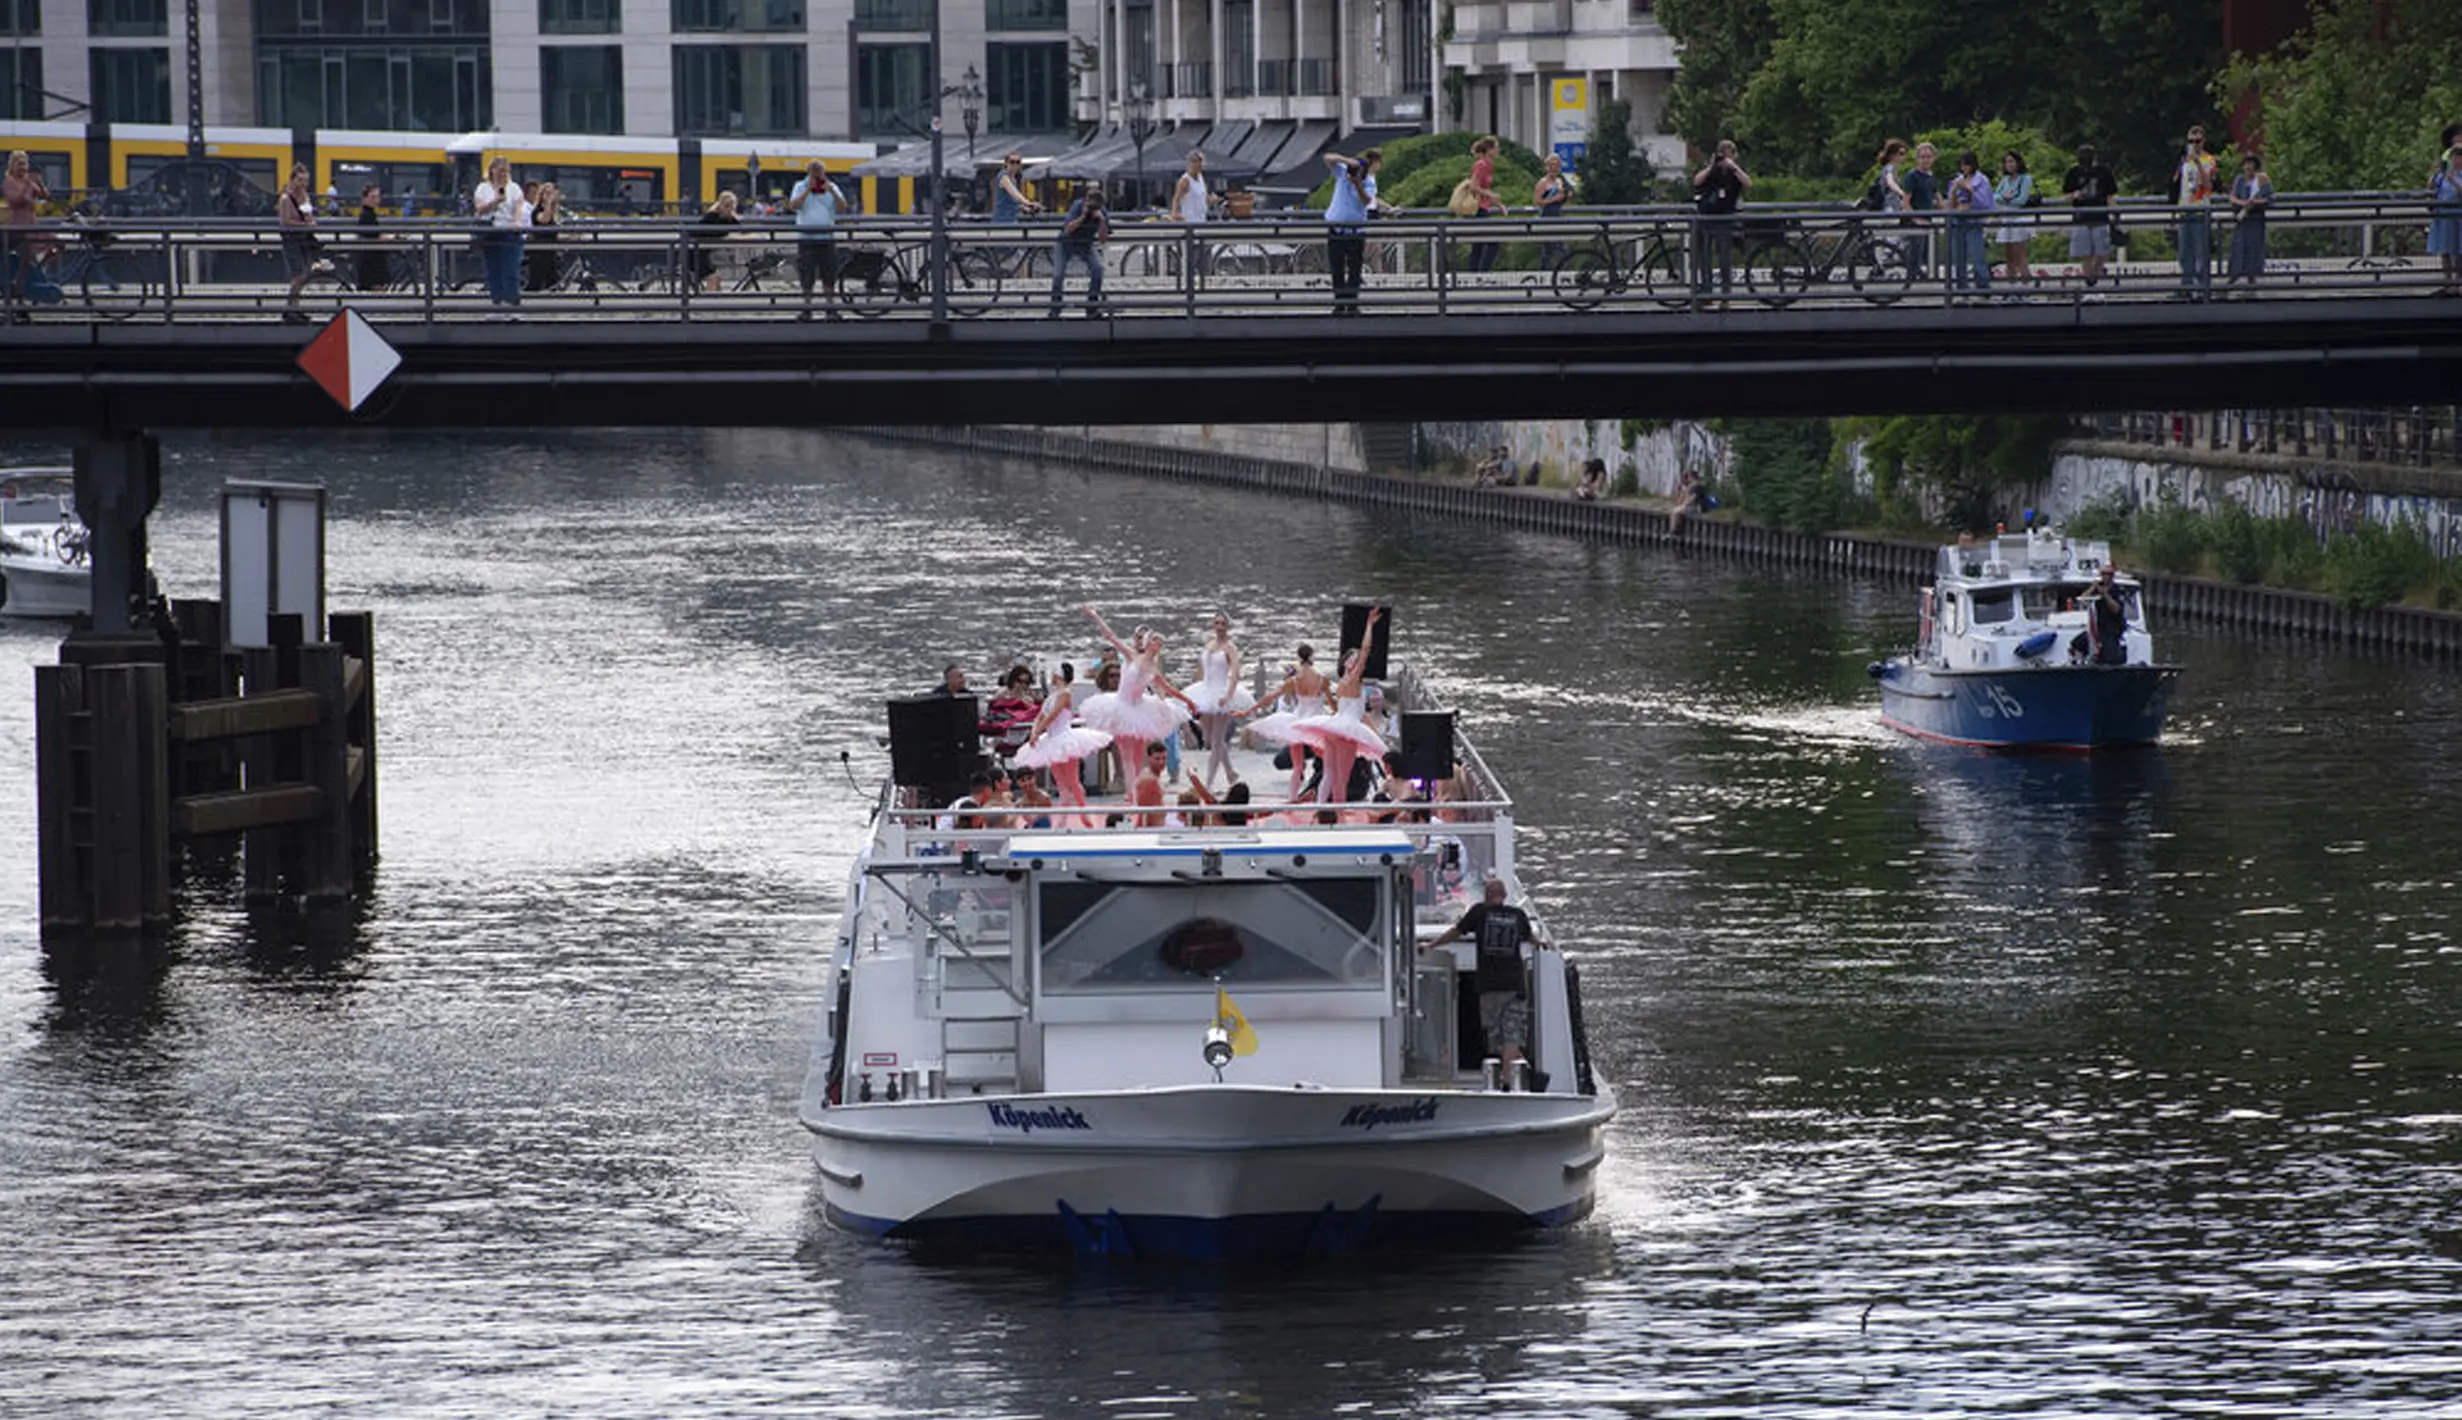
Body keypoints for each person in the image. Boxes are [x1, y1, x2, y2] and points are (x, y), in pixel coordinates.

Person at [1419, 874, 1537, 1083]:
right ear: (1505, 895)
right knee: (1512, 1035)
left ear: (1486, 896)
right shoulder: (1518, 915)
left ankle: (1506, 1076)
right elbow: (1531, 938)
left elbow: (1455, 932)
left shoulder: (1480, 912)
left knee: (1495, 1038)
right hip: (1514, 987)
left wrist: (1431, 946)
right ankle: (1509, 1081)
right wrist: (1541, 944)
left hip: (1488, 988)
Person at [1078, 605, 1194, 786]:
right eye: (1155, 641)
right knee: (1126, 752)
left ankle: (1137, 791)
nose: (1157, 644)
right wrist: (1095, 616)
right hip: (1120, 705)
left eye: (1159, 643)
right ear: (1148, 643)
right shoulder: (1132, 655)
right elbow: (1111, 637)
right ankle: (1131, 794)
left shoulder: (1153, 668)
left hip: (1140, 708)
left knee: (1138, 753)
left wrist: (1188, 702)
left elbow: (1168, 688)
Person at [1285, 606, 1385, 805]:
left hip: (1333, 726)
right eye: (1353, 659)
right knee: (1342, 779)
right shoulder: (1354, 679)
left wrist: (1372, 729)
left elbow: (1348, 710)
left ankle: (1321, 808)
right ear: (1350, 663)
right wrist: (1369, 625)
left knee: (1328, 774)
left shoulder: (1340, 683)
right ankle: (1338, 815)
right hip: (1346, 729)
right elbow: (1366, 650)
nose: (1357, 661)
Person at [1013, 662, 1111, 815]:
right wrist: (1034, 732)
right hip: (1051, 739)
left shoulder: (1065, 693)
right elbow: (1041, 716)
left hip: (1066, 739)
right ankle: (1064, 816)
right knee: (1060, 782)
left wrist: (1037, 732)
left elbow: (1053, 715)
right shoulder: (1051, 696)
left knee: (1072, 780)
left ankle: (1083, 811)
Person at [1245, 644, 1333, 800]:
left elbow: (1269, 697)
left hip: (1298, 722)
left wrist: (1248, 710)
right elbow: (1333, 705)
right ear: (1312, 657)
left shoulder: (1294, 680)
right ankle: (1322, 803)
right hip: (1317, 723)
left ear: (1299, 658)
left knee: (1297, 767)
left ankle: (1292, 799)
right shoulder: (1322, 680)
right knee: (1328, 766)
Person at [1184, 611, 1256, 792]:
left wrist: (1229, 694)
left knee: (1216, 741)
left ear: (1227, 626)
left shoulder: (1230, 647)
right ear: (1213, 625)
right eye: (1217, 623)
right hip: (1205, 690)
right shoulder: (1209, 644)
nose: (1220, 627)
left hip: (1221, 691)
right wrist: (1193, 692)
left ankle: (1208, 783)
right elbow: (1201, 671)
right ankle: (1231, 772)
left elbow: (1235, 673)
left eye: (1223, 623)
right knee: (1209, 739)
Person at [1691, 139, 1750, 298]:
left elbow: (1748, 183)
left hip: (1725, 219)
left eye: (1728, 154)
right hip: (1707, 218)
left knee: (1724, 258)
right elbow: (1697, 181)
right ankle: (1707, 292)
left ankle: (1726, 294)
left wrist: (1733, 167)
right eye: (1722, 154)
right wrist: (1711, 166)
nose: (1724, 158)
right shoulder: (1712, 170)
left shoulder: (1735, 171)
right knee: (1705, 257)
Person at [789, 159, 847, 319]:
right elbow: (793, 206)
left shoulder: (832, 186)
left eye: (820, 173)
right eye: (814, 173)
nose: (817, 177)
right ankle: (807, 308)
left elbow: (843, 208)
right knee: (807, 274)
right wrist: (807, 190)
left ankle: (830, 308)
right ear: (809, 173)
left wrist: (832, 192)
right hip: (806, 237)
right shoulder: (800, 186)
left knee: (829, 274)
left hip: (827, 237)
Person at [1324, 150, 1376, 316]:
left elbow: (1366, 201)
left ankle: (1352, 304)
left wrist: (1357, 184)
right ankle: (1339, 304)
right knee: (1337, 268)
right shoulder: (1342, 173)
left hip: (1356, 231)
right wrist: (1347, 161)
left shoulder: (1368, 183)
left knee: (1355, 269)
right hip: (1336, 229)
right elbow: (1327, 158)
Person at [4, 149, 53, 322]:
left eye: (25, 164)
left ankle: (39, 272)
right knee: (24, 262)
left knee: (57, 245)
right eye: (19, 164)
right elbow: (18, 200)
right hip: (18, 228)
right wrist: (28, 186)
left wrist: (40, 184)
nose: (23, 167)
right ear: (13, 165)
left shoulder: (28, 182)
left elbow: (45, 197)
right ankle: (19, 299)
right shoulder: (9, 182)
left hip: (32, 225)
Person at [472, 156, 527, 308]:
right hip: (490, 231)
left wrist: (517, 222)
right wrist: (495, 201)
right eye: (500, 171)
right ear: (492, 171)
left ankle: (511, 303)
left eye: (506, 171)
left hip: (509, 231)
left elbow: (518, 207)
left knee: (511, 270)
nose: (503, 174)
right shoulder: (483, 188)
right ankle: (496, 302)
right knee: (493, 270)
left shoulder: (514, 188)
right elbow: (480, 209)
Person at [2062, 143, 2118, 286]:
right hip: (2081, 218)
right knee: (2085, 254)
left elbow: (2110, 196)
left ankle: (2094, 276)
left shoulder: (2104, 172)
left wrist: (2115, 214)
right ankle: (2090, 282)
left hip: (2100, 217)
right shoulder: (2073, 173)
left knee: (2101, 252)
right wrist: (2074, 195)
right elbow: (2066, 196)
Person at [1049, 185, 1110, 316]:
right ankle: (1055, 306)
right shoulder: (1077, 206)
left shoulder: (1102, 212)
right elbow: (1068, 229)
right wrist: (1083, 216)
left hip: (1086, 244)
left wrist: (1102, 221)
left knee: (1098, 268)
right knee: (1058, 274)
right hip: (1066, 243)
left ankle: (1092, 304)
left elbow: (1103, 239)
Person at [2173, 125, 2218, 297]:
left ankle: (2203, 288)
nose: (2194, 144)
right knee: (2185, 252)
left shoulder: (2209, 159)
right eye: (2191, 141)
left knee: (2201, 252)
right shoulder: (2184, 160)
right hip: (2185, 209)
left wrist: (2198, 162)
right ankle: (2186, 287)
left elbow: (2208, 185)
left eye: (2197, 141)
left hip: (2201, 210)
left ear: (2203, 141)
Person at [277, 164, 325, 322]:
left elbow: (307, 214)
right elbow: (285, 221)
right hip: (291, 240)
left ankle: (294, 308)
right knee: (299, 275)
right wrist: (305, 225)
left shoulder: (304, 196)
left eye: (305, 180)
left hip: (303, 239)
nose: (303, 184)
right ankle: (290, 308)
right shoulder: (285, 199)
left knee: (303, 275)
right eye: (300, 180)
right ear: (292, 179)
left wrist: (310, 221)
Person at [1945, 150, 1994, 298]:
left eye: (1967, 164)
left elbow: (1984, 203)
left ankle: (1983, 288)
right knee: (1958, 257)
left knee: (1977, 256)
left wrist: (1969, 190)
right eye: (1962, 165)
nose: (1964, 168)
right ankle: (1961, 289)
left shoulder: (1982, 180)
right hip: (1958, 221)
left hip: (1974, 221)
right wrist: (1954, 190)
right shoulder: (1957, 180)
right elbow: (1951, 204)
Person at [2226, 154, 2272, 290]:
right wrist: (2243, 203)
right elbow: (2232, 197)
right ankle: (2232, 279)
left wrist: (2255, 202)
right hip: (2242, 220)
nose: (2247, 167)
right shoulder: (2239, 180)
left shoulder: (2262, 180)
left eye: (2250, 164)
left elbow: (2269, 199)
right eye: (2246, 164)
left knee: (2254, 249)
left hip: (2256, 220)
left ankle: (2252, 281)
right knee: (2238, 248)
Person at [1991, 150, 2034, 284]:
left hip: (2019, 219)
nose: (2008, 164)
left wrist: (2005, 199)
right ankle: (2011, 287)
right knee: (2009, 257)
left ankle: (2026, 285)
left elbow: (2021, 200)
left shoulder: (2025, 178)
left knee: (2020, 256)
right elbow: (1994, 196)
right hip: (2006, 219)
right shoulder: (2005, 179)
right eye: (2006, 162)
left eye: (2011, 161)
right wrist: (2004, 197)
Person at [1465, 135, 1504, 275]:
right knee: (1492, 243)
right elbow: (1474, 186)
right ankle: (1481, 274)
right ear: (1489, 150)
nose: (1498, 150)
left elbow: (1483, 189)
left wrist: (1498, 204)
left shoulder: (1488, 165)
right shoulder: (1482, 165)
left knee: (1479, 244)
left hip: (1484, 207)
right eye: (1496, 148)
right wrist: (1491, 195)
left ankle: (1474, 275)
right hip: (1478, 209)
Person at [692, 190, 741, 293]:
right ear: (720, 205)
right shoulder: (712, 217)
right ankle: (706, 305)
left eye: (732, 207)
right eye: (727, 206)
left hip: (705, 252)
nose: (729, 209)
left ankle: (718, 304)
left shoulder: (730, 218)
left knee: (716, 277)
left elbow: (742, 230)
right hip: (694, 252)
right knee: (713, 277)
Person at [2429, 140, 2462, 297]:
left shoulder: (2456, 176)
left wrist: (2453, 180)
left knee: (2458, 250)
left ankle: (2458, 281)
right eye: (2455, 156)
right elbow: (2431, 189)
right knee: (2445, 250)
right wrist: (2435, 175)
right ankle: (2447, 282)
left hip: (2458, 216)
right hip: (2443, 215)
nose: (2457, 159)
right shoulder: (2443, 175)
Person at [1905, 141, 1939, 279]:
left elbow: (1938, 199)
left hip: (1928, 219)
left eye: (1929, 156)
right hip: (1917, 221)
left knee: (1928, 253)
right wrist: (1915, 219)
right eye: (1923, 157)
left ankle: (1926, 277)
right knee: (1915, 252)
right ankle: (1913, 278)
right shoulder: (1912, 176)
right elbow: (1905, 202)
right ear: (1917, 158)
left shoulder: (1930, 177)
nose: (1926, 160)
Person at [1534, 152, 1571, 266]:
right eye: (1550, 165)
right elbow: (1537, 201)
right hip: (1547, 216)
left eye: (1556, 165)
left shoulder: (1560, 181)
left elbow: (1566, 196)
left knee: (1554, 249)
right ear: (1546, 167)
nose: (1553, 168)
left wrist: (1567, 195)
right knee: (1552, 247)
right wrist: (1553, 199)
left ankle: (1558, 272)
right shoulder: (1542, 183)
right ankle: (1545, 272)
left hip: (1557, 216)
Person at [2087, 564, 2129, 665]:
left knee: (2110, 655)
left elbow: (2116, 609)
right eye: (2103, 574)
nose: (2106, 576)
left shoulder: (2117, 590)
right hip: (2098, 628)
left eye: (2109, 574)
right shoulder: (2098, 587)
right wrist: (2093, 588)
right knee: (2078, 642)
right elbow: (2083, 598)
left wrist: (2104, 594)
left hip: (2112, 628)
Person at [524, 181, 562, 293]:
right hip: (540, 251)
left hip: (551, 250)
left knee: (552, 281)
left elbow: (555, 231)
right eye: (547, 193)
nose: (550, 195)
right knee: (536, 283)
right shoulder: (538, 210)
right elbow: (544, 220)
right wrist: (549, 203)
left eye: (552, 193)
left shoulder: (554, 212)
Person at [352, 184, 388, 293]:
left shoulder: (367, 213)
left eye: (378, 197)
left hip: (368, 256)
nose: (376, 200)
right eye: (373, 197)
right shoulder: (367, 215)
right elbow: (374, 235)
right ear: (365, 198)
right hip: (370, 260)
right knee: (377, 287)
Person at [992, 152, 1041, 223]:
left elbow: (1011, 202)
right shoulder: (1003, 176)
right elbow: (1014, 193)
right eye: (1012, 162)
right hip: (1001, 220)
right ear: (1006, 163)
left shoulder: (1013, 179)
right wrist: (1028, 203)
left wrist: (1025, 208)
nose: (1015, 165)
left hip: (1012, 219)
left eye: (1018, 162)